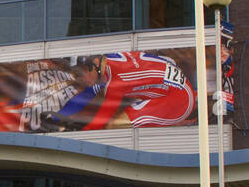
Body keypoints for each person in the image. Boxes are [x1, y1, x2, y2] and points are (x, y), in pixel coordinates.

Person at [43, 53, 197, 131]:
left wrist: (76, 136)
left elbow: (101, 122)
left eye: (79, 74)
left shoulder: (117, 81)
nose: (78, 79)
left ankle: (174, 125)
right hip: (175, 88)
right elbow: (85, 96)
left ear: (93, 65)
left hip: (179, 100)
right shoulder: (108, 62)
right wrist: (54, 118)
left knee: (114, 125)